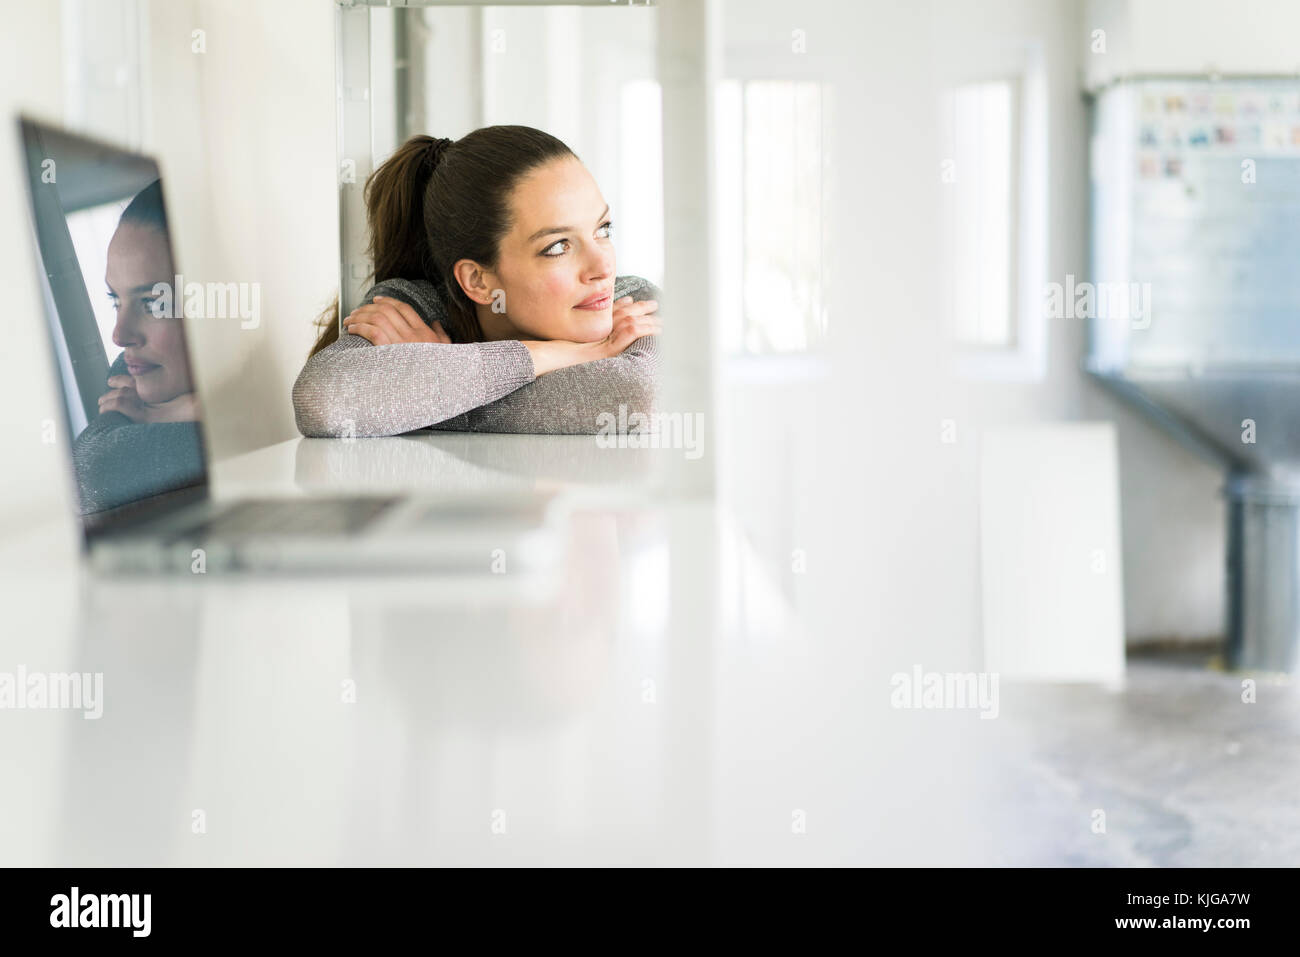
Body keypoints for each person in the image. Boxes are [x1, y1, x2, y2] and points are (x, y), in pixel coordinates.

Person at [292, 125, 663, 438]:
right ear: (478, 281)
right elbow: (323, 401)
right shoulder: (414, 309)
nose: (602, 267)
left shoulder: (631, 305)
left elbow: (639, 396)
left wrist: (427, 391)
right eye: (558, 246)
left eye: (603, 229)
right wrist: (569, 353)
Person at [71, 180, 204, 513]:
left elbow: (99, 471)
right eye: (115, 299)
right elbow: (93, 468)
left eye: (152, 302)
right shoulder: (129, 371)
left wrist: (157, 414)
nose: (120, 334)